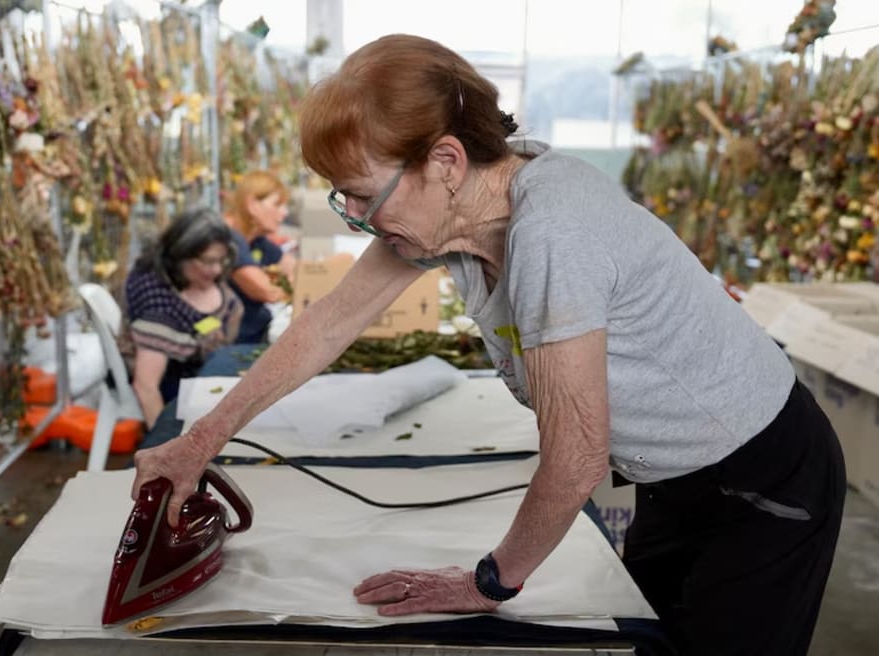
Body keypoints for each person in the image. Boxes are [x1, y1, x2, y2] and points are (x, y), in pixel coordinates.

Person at [132, 34, 845, 656]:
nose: (353, 216)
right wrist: (202, 440)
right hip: (672, 476)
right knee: (653, 639)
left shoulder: (554, 228)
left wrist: (490, 579)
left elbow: (575, 458)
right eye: (339, 197)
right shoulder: (457, 214)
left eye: (359, 194)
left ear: (445, 161)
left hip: (765, 477)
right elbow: (325, 325)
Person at [124, 209, 243, 429]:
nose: (216, 270)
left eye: (221, 261)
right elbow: (146, 387)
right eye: (207, 262)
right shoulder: (156, 302)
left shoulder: (192, 278)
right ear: (181, 255)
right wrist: (166, 444)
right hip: (173, 387)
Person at [223, 170, 296, 343]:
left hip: (253, 332)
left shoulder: (256, 240)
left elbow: (296, 269)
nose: (284, 213)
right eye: (277, 205)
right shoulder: (225, 239)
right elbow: (266, 292)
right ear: (252, 205)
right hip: (227, 343)